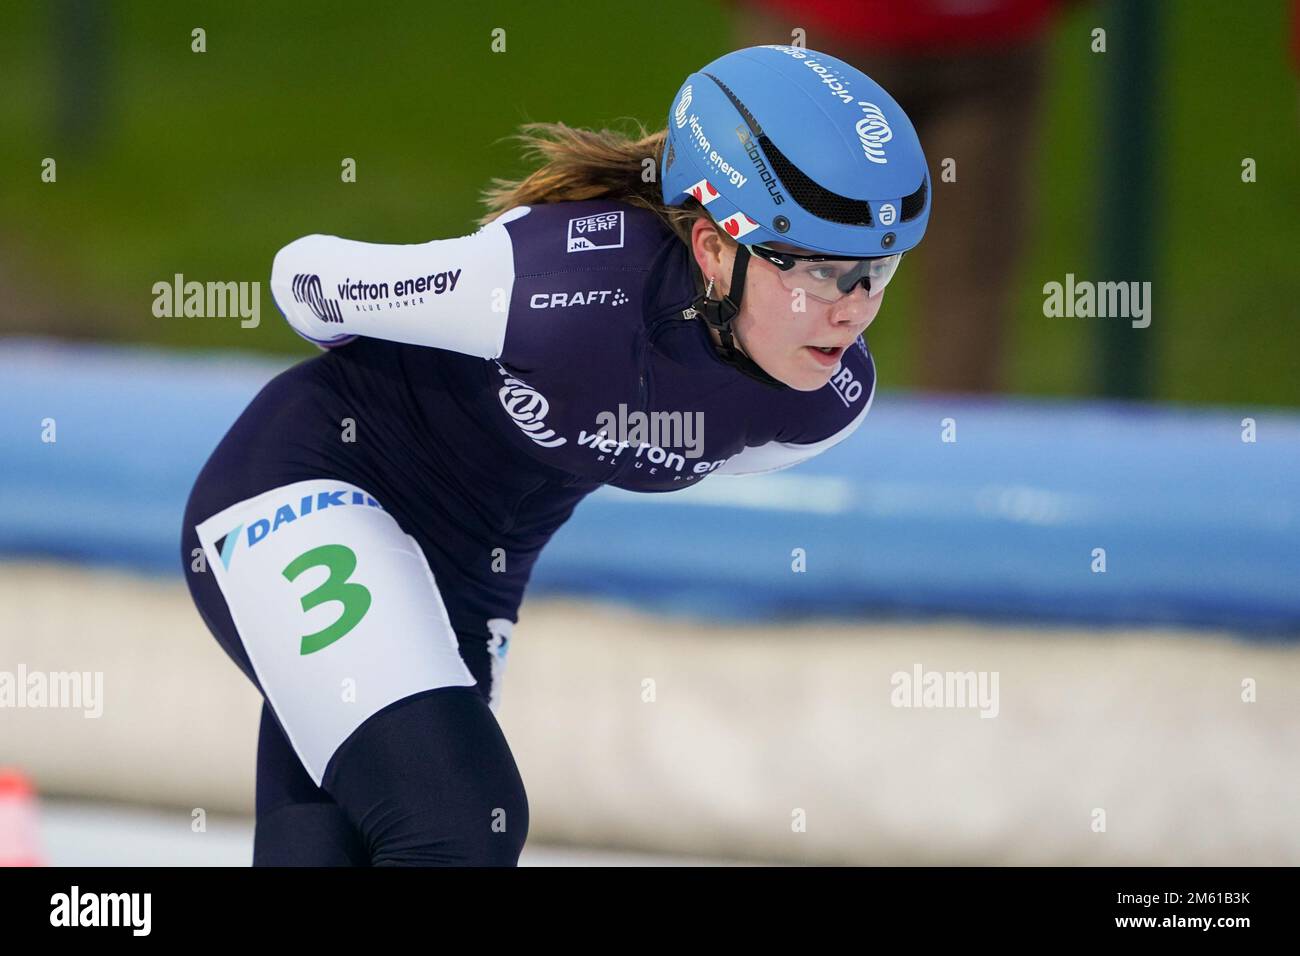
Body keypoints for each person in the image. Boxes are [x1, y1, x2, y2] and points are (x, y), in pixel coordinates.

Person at [180, 44, 930, 866]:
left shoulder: (822, 405)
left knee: (347, 843)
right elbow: (303, 279)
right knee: (461, 823)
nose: (854, 309)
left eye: (877, 269)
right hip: (313, 478)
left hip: (467, 578)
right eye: (821, 270)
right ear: (715, 250)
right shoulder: (549, 288)